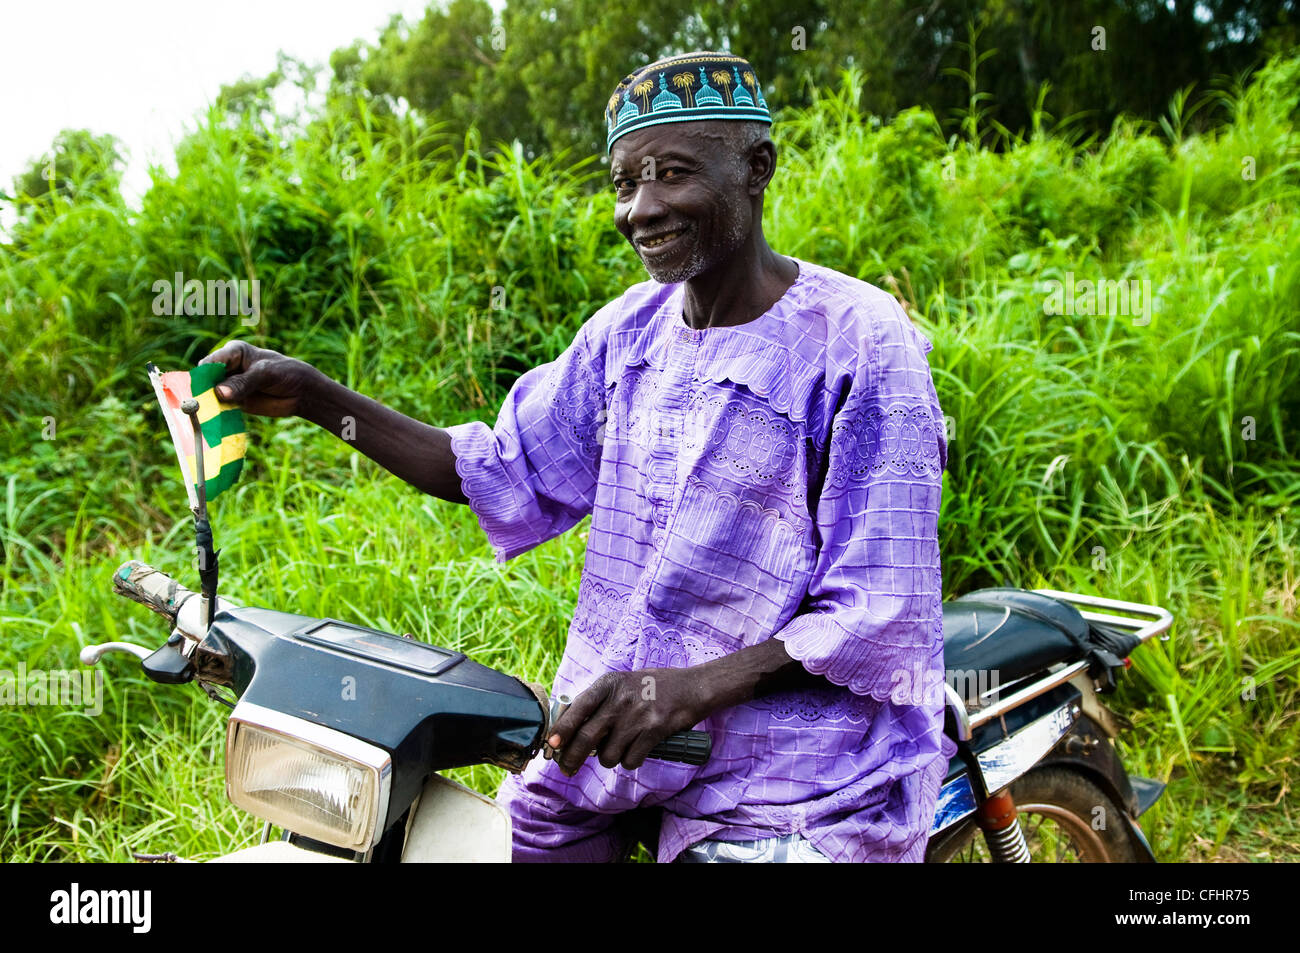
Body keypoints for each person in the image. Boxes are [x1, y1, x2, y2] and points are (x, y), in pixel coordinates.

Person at [203, 50, 954, 863]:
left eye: (672, 175)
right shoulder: (628, 334)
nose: (642, 208)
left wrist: (690, 689)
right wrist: (315, 395)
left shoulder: (861, 342)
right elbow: (496, 468)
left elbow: (878, 613)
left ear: (756, 167)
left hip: (793, 773)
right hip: (608, 746)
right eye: (625, 183)